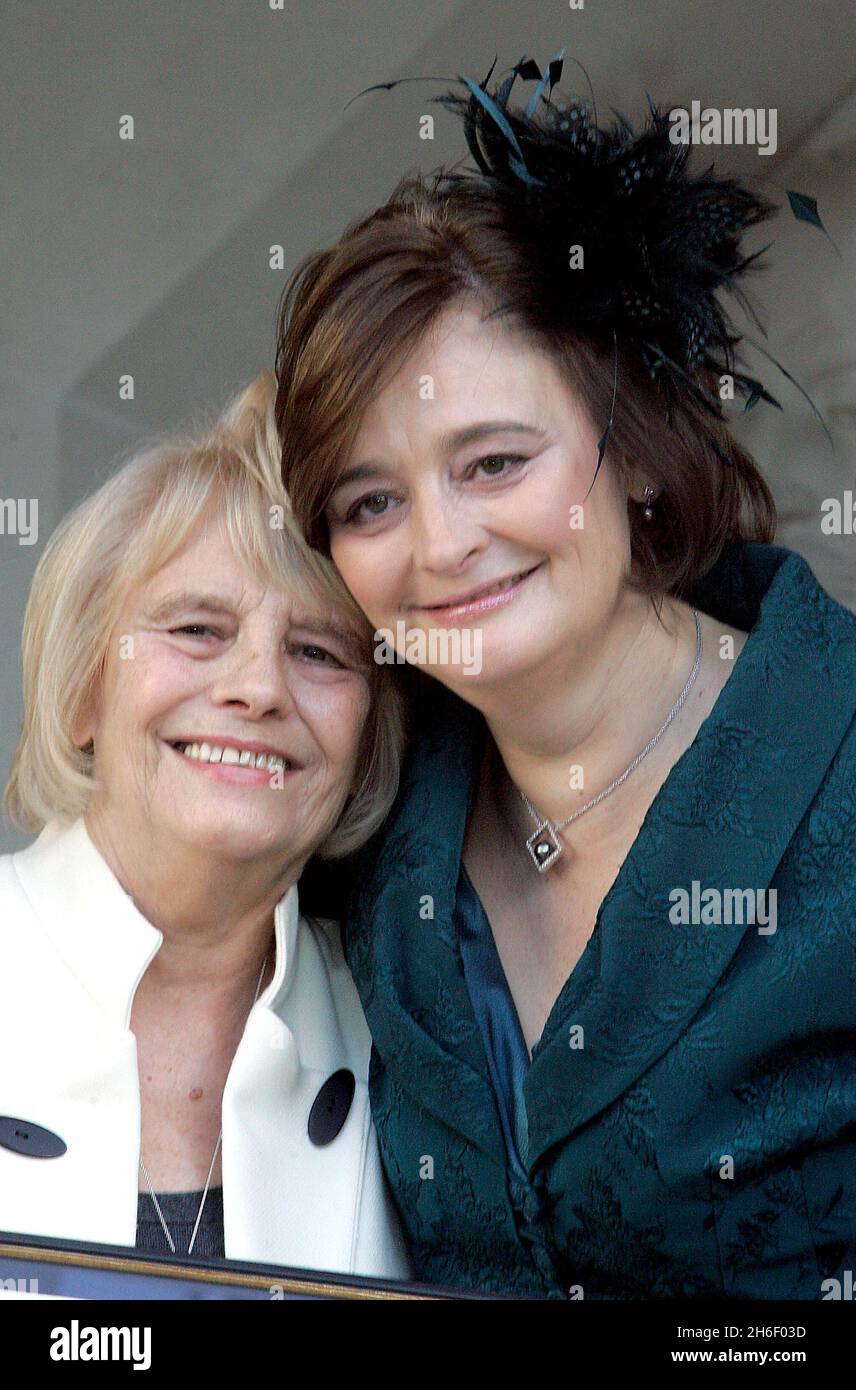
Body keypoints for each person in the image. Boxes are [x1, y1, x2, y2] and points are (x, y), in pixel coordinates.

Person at [272, 61, 856, 1298]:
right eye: (370, 500)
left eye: (492, 461)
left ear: (636, 445)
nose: (437, 546)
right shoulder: (361, 836)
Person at [0, 370, 412, 1280]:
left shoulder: (408, 1030)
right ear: (81, 693)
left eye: (317, 652)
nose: (259, 689)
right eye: (195, 630)